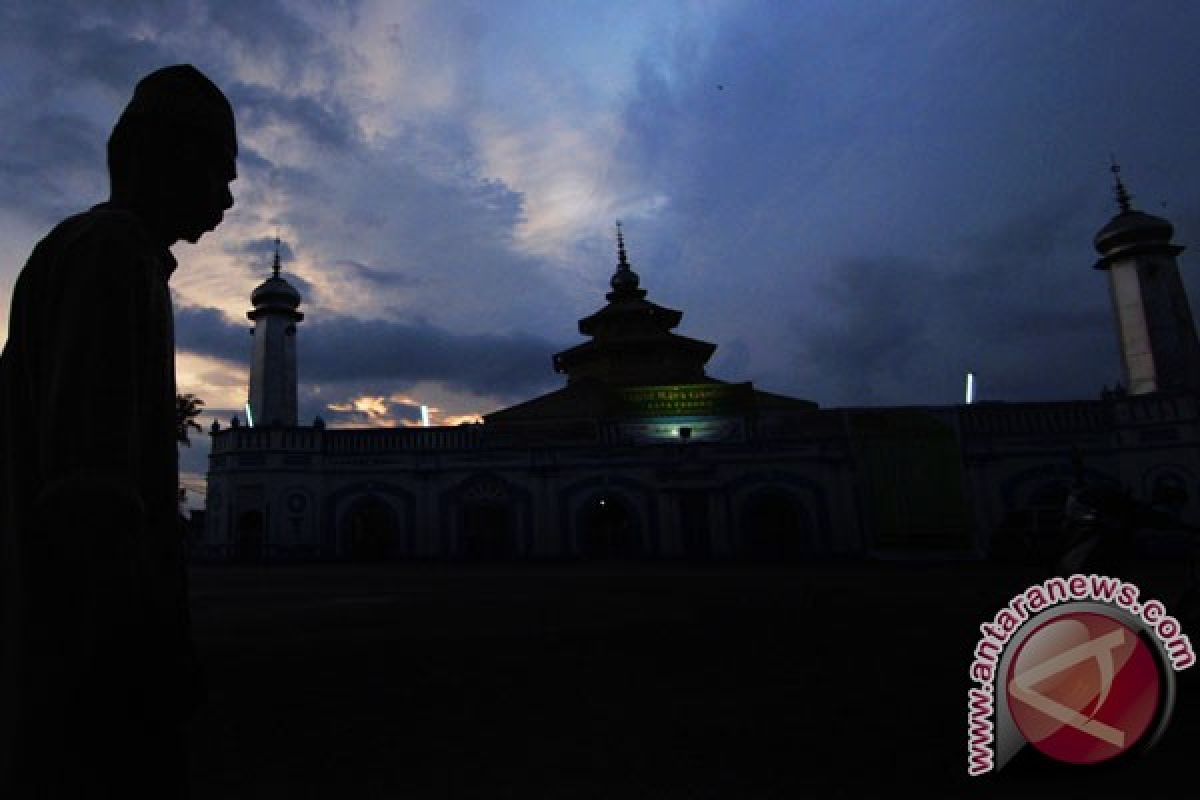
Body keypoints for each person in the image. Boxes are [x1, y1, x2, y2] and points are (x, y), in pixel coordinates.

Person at [0, 64, 237, 798]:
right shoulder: (110, 254)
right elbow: (92, 489)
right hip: (92, 667)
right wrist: (141, 650)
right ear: (167, 155)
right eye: (220, 171)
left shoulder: (107, 255)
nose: (228, 197)